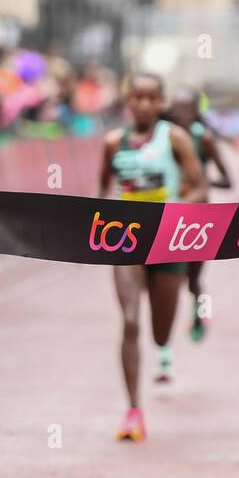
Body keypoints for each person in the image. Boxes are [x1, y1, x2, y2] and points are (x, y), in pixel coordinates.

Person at [100, 73, 206, 442]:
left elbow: (201, 188)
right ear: (127, 101)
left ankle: (164, 350)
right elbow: (101, 198)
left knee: (161, 330)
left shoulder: (174, 138)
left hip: (168, 242)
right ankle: (133, 411)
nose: (143, 105)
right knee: (130, 321)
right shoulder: (113, 143)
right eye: (137, 98)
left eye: (151, 99)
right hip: (126, 243)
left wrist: (172, 210)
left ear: (160, 103)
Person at [167, 89, 232, 343]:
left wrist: (203, 183)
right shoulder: (165, 137)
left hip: (198, 216)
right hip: (170, 211)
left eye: (185, 108)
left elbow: (228, 180)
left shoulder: (203, 138)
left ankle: (199, 312)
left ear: (195, 112)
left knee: (194, 278)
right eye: (176, 107)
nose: (179, 113)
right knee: (167, 273)